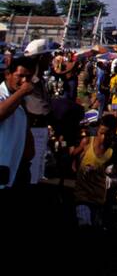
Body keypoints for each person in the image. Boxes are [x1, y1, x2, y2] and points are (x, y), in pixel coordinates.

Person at [0, 56, 36, 191]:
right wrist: (22, 92)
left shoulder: (19, 100)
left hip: (16, 167)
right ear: (8, 74)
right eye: (20, 76)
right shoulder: (3, 95)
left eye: (28, 77)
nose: (24, 81)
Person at [23, 41, 54, 183]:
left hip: (38, 131)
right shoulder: (31, 83)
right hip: (33, 132)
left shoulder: (40, 80)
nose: (51, 59)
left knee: (36, 173)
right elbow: (42, 110)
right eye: (49, 56)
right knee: (31, 174)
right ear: (41, 58)